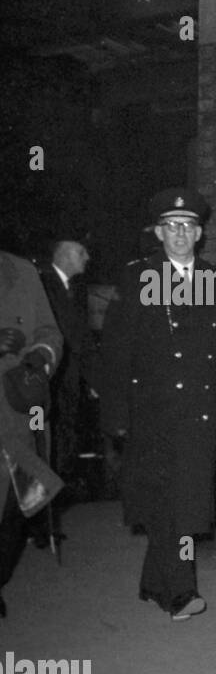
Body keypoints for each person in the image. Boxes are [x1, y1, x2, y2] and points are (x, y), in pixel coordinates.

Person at [98, 188, 216, 620]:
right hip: (152, 411)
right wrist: (116, 414)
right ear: (159, 232)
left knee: (188, 503)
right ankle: (179, 592)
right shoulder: (137, 277)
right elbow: (116, 352)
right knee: (168, 503)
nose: (180, 234)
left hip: (199, 413)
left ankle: (152, 581)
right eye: (172, 226)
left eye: (188, 227)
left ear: (199, 234)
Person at [0, 248, 62, 617]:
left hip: (16, 412)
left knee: (16, 510)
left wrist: (40, 355)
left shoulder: (21, 270)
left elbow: (49, 331)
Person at [37, 238, 95, 527]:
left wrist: (93, 379)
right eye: (80, 252)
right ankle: (40, 515)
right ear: (63, 255)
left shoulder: (77, 290)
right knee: (45, 444)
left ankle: (53, 510)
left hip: (69, 383)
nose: (87, 257)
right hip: (48, 381)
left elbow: (81, 339)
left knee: (66, 441)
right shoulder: (42, 285)